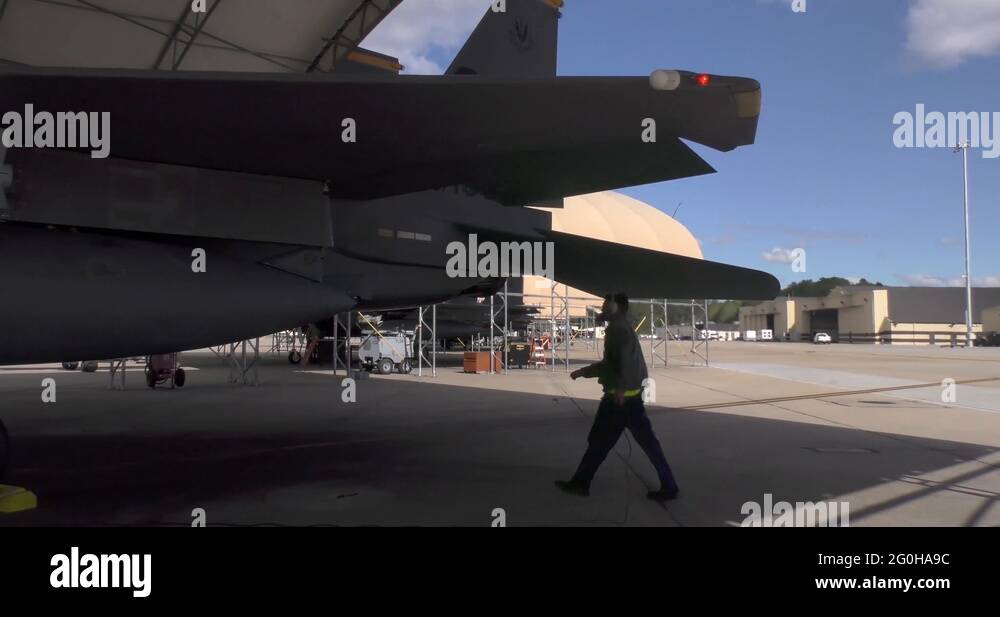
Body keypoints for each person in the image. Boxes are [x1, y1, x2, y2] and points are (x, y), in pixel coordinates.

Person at [556, 293, 680, 502]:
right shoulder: (621, 327)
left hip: (619, 401)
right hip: (629, 399)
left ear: (616, 308)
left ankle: (581, 483)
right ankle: (669, 486)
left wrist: (620, 387)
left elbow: (624, 360)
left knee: (599, 443)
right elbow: (612, 364)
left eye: (606, 305)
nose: (603, 308)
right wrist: (584, 372)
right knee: (642, 444)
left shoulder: (618, 330)